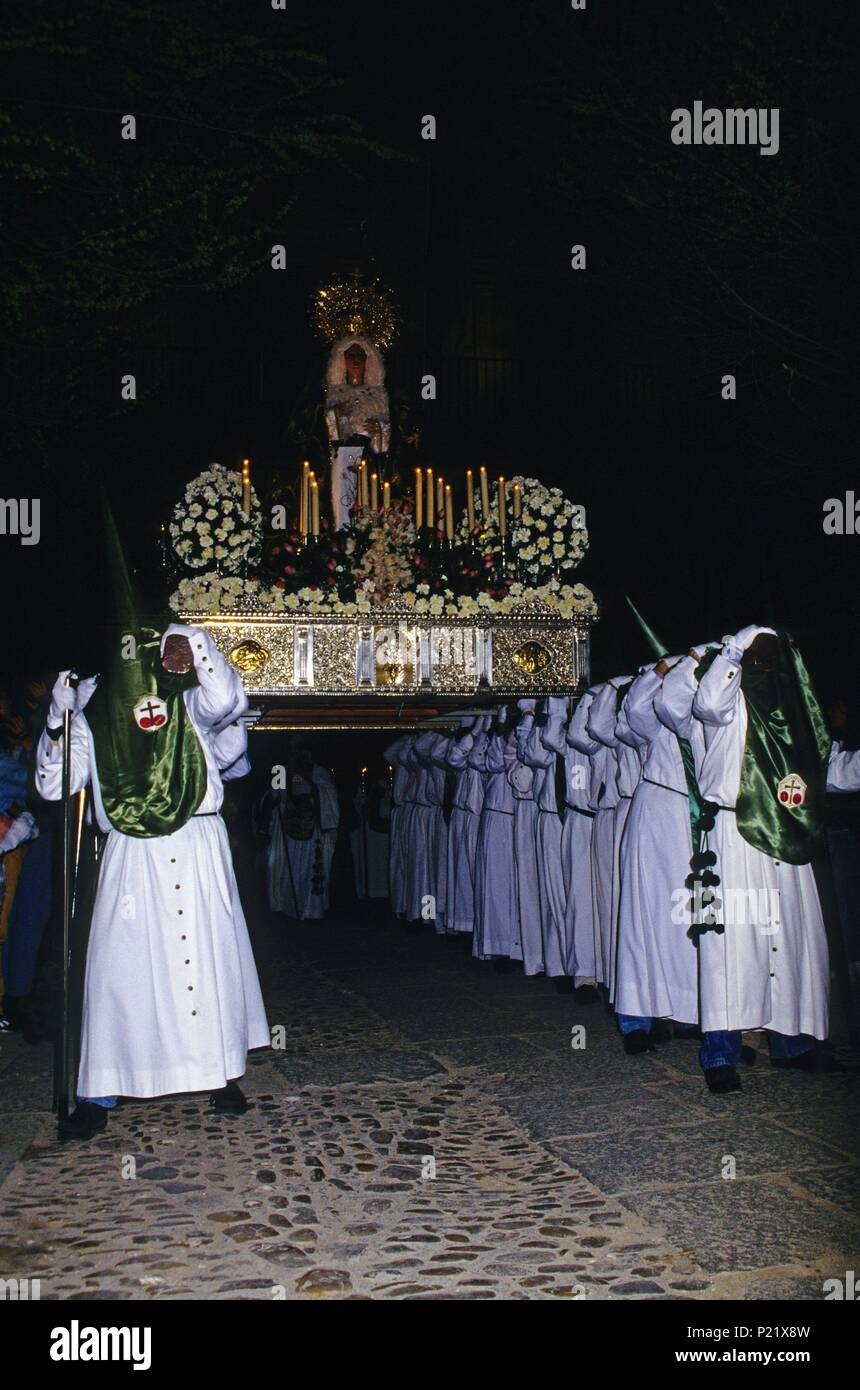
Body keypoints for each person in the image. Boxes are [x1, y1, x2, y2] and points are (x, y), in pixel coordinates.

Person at [37, 613, 270, 1141]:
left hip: (196, 844)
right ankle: (101, 1089)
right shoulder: (93, 707)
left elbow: (227, 699)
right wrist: (59, 719)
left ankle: (217, 1073)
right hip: (131, 854)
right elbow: (55, 786)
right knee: (123, 969)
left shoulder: (186, 694)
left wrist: (187, 643)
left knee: (207, 959)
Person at [692, 625, 838, 1093]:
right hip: (737, 833)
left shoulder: (795, 716)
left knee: (789, 941)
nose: (765, 664)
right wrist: (734, 648)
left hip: (787, 834)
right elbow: (707, 702)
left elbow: (827, 770)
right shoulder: (731, 704)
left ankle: (792, 1044)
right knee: (732, 948)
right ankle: (720, 1055)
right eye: (759, 655)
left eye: (772, 656)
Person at [613, 659, 700, 1053]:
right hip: (654, 816)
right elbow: (632, 708)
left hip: (691, 822)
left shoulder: (704, 720)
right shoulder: (654, 724)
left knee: (682, 916)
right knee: (642, 914)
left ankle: (682, 1008)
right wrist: (658, 672)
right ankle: (635, 1018)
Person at [265, 748, 339, 920]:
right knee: (289, 866)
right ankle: (290, 906)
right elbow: (274, 795)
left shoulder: (318, 772)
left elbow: (327, 795)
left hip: (311, 829)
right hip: (290, 828)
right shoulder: (281, 771)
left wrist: (313, 789)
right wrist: (276, 798)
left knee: (310, 868)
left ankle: (311, 909)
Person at [472, 707, 520, 963]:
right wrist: (495, 730)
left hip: (518, 818)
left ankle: (516, 945)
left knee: (515, 886)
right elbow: (489, 761)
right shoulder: (494, 743)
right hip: (498, 818)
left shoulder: (520, 738)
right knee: (497, 885)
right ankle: (497, 945)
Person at [441, 717, 487, 936]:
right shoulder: (463, 751)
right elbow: (454, 758)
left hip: (479, 818)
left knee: (478, 875)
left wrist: (480, 735)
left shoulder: (484, 748)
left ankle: (480, 927)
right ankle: (465, 925)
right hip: (462, 817)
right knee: (462, 876)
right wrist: (472, 735)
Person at [349, 764, 391, 901]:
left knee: (380, 866)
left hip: (380, 838)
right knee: (367, 866)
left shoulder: (384, 787)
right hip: (367, 835)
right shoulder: (363, 788)